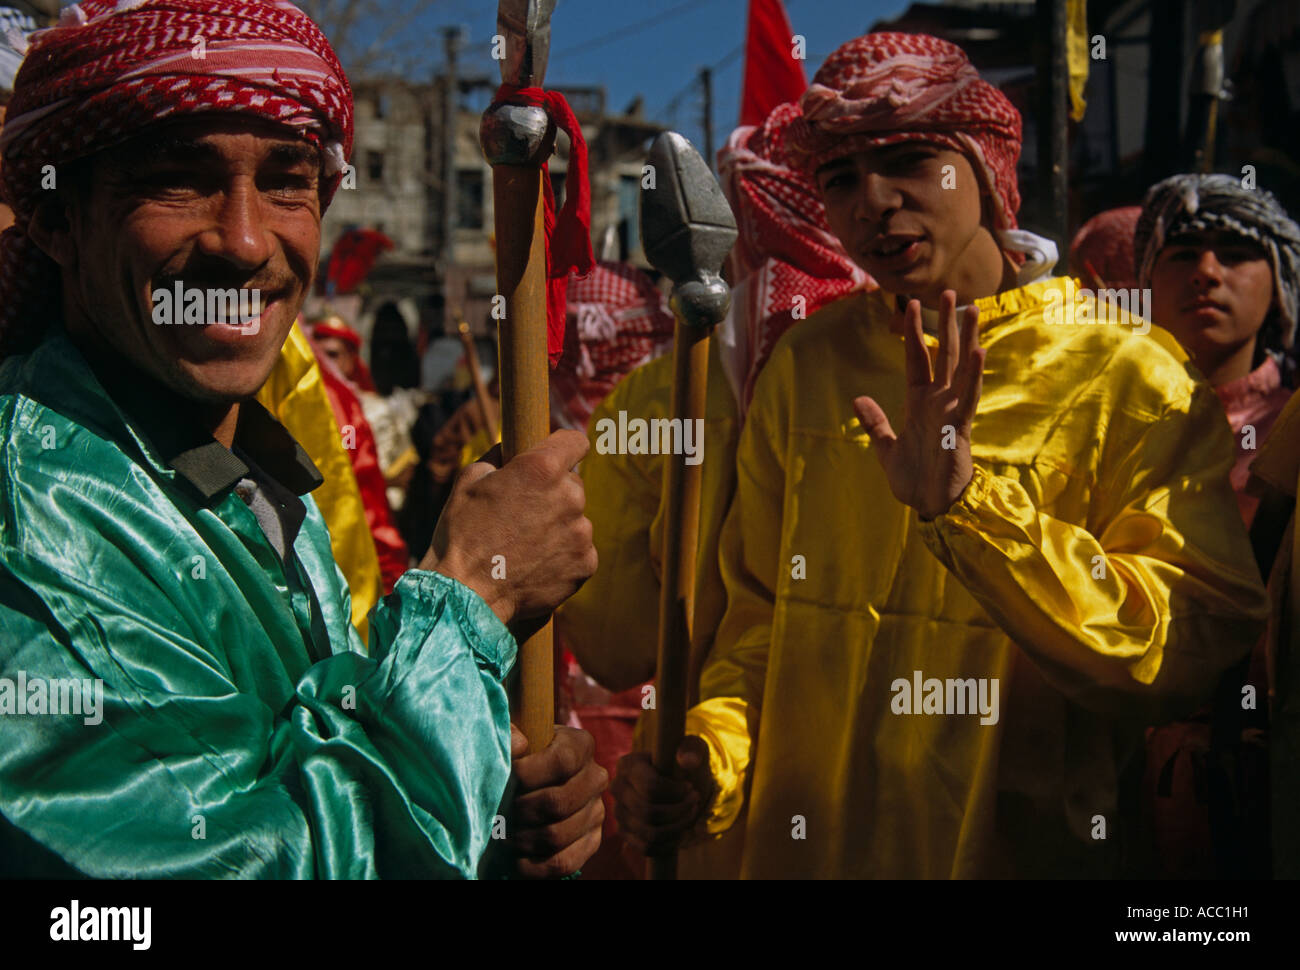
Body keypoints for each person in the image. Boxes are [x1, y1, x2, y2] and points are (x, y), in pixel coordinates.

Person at [612, 32, 1269, 878]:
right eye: (840, 179)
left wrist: (975, 515)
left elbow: (1194, 645)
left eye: (912, 162)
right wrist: (709, 760)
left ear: (986, 171)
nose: (873, 203)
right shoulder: (810, 367)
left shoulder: (1127, 372)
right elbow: (762, 628)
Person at [0, 0, 603, 879]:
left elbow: (301, 761)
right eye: (179, 178)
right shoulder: (37, 516)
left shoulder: (230, 462)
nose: (245, 242)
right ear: (57, 221)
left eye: (287, 181)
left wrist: (484, 804)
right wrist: (467, 602)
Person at [1136, 173, 1300, 877]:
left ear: (1282, 284)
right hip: (1115, 770)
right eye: (1182, 252)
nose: (1206, 271)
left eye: (1234, 252)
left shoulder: (1294, 426)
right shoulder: (1097, 422)